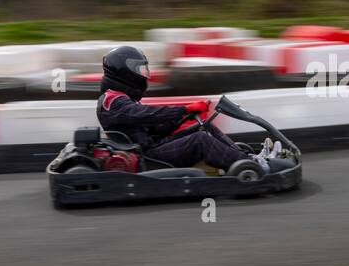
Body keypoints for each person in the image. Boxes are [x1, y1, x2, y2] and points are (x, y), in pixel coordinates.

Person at [96, 46, 274, 173]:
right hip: (148, 155)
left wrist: (186, 116)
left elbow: (156, 128)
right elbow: (148, 115)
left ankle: (247, 157)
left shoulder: (122, 97)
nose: (143, 75)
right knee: (200, 139)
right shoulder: (112, 101)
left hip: (152, 145)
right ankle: (252, 164)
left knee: (204, 126)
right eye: (138, 69)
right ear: (125, 71)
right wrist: (184, 109)